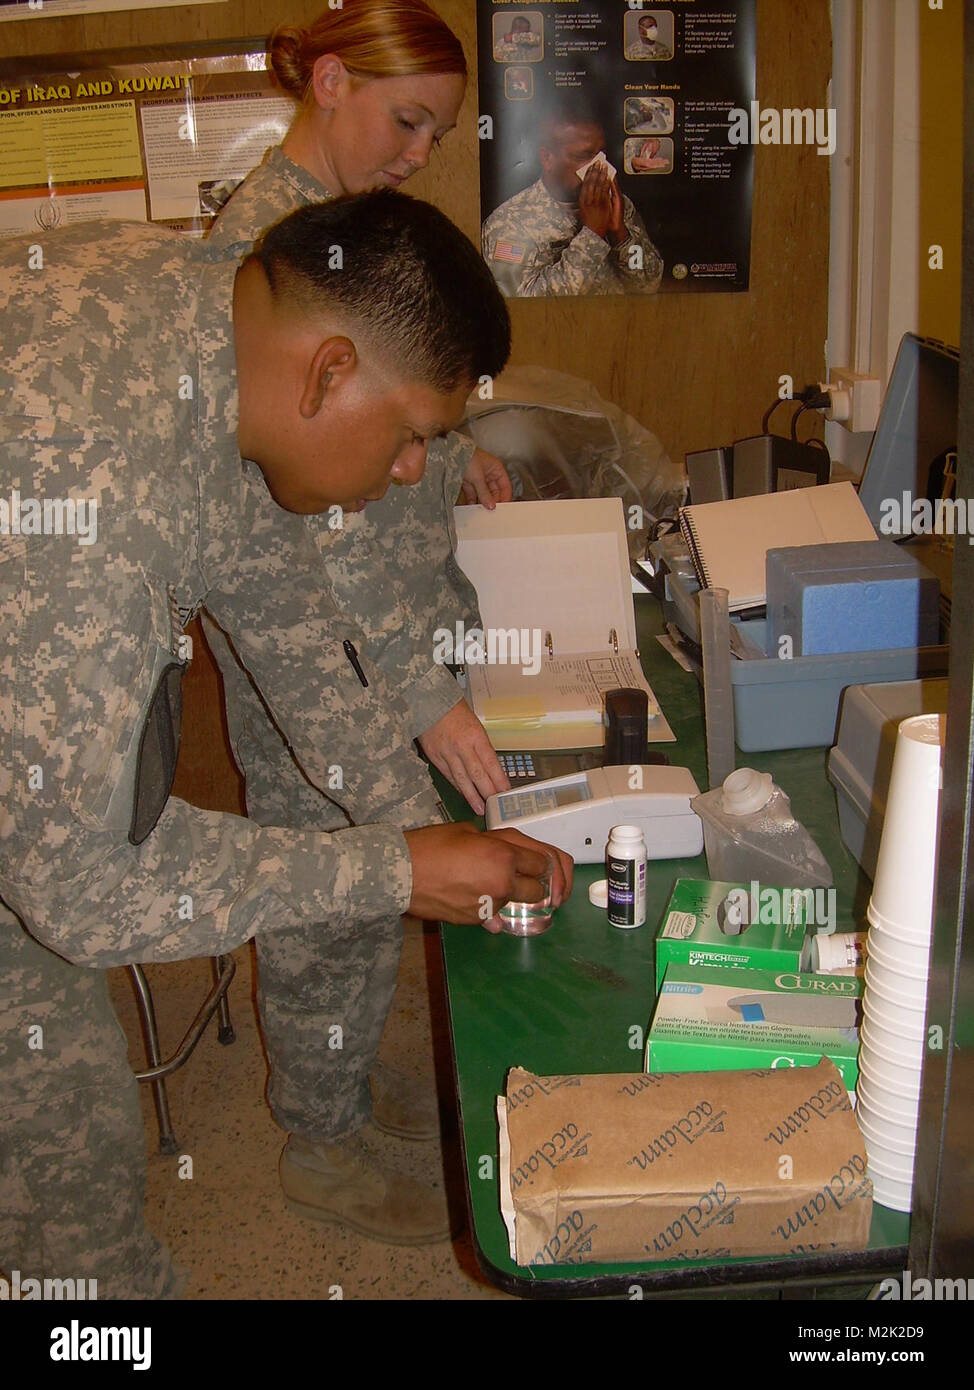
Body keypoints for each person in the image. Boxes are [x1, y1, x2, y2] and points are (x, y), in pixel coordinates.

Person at [0, 193, 574, 1298]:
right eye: (412, 434)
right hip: (44, 806)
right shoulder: (89, 478)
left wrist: (431, 826)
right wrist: (397, 865)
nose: (415, 471)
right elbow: (78, 890)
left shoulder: (219, 331)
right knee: (61, 1161)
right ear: (327, 373)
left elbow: (295, 636)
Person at [201, 2, 520, 1240]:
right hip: (315, 654)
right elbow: (293, 529)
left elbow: (380, 409)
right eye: (407, 120)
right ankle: (316, 1144)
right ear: (328, 81)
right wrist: (418, 689)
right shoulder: (260, 246)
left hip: (373, 630)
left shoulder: (343, 238)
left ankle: (335, 1085)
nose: (418, 149)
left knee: (378, 876)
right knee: (330, 891)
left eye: (436, 131)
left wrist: (448, 459)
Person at [482, 109, 664, 297]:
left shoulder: (617, 204)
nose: (599, 166)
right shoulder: (509, 223)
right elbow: (522, 306)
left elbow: (648, 286)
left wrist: (620, 234)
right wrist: (592, 235)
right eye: (582, 156)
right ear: (547, 158)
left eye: (602, 154)